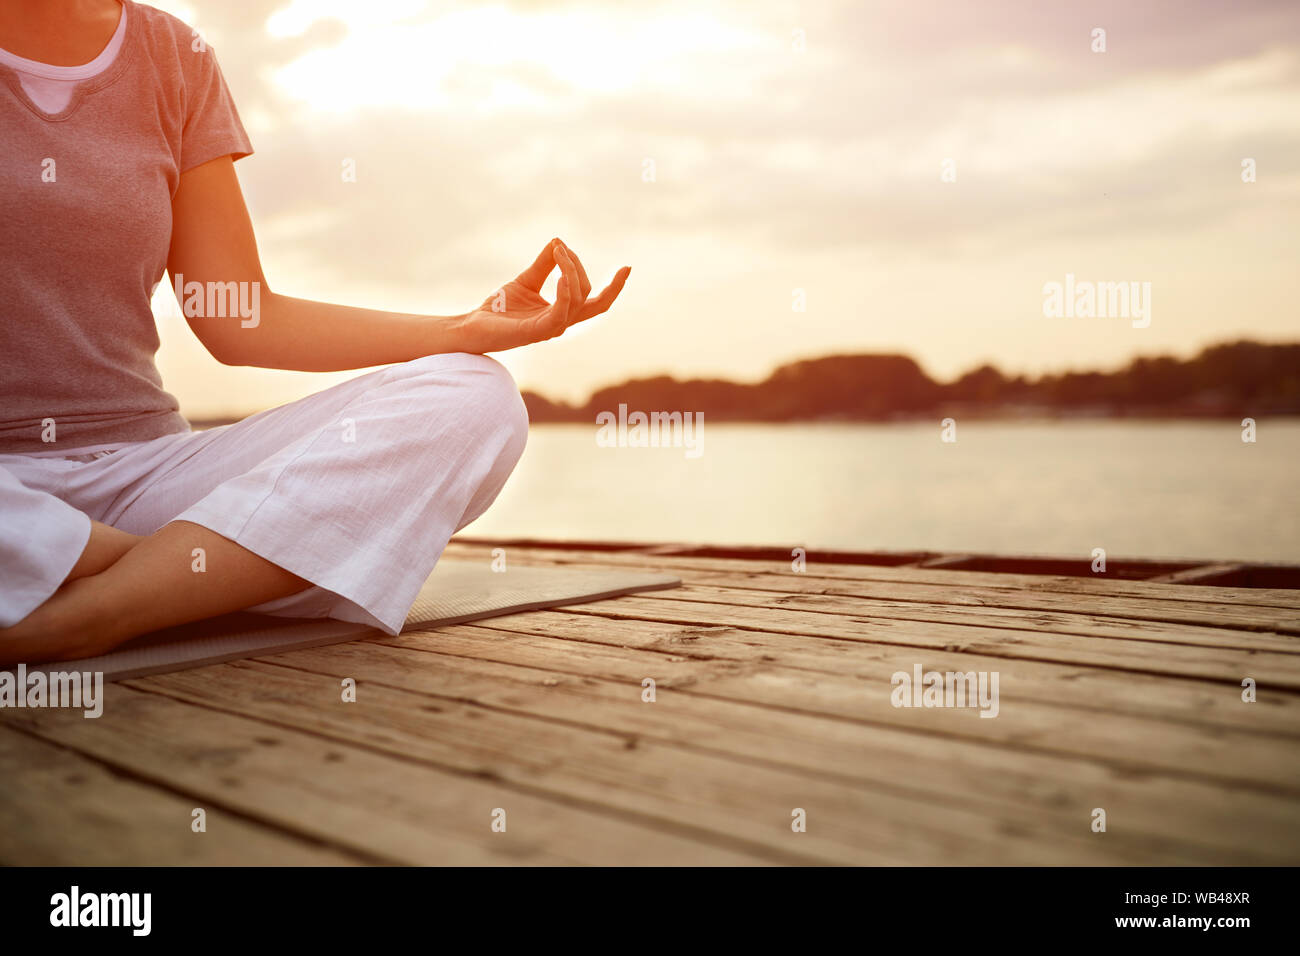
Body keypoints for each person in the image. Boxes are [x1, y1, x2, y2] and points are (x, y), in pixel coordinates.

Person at [0, 0, 630, 665]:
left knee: (475, 396)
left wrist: (463, 327)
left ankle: (83, 616)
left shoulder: (171, 53)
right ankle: (209, 570)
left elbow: (240, 319)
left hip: (144, 479)